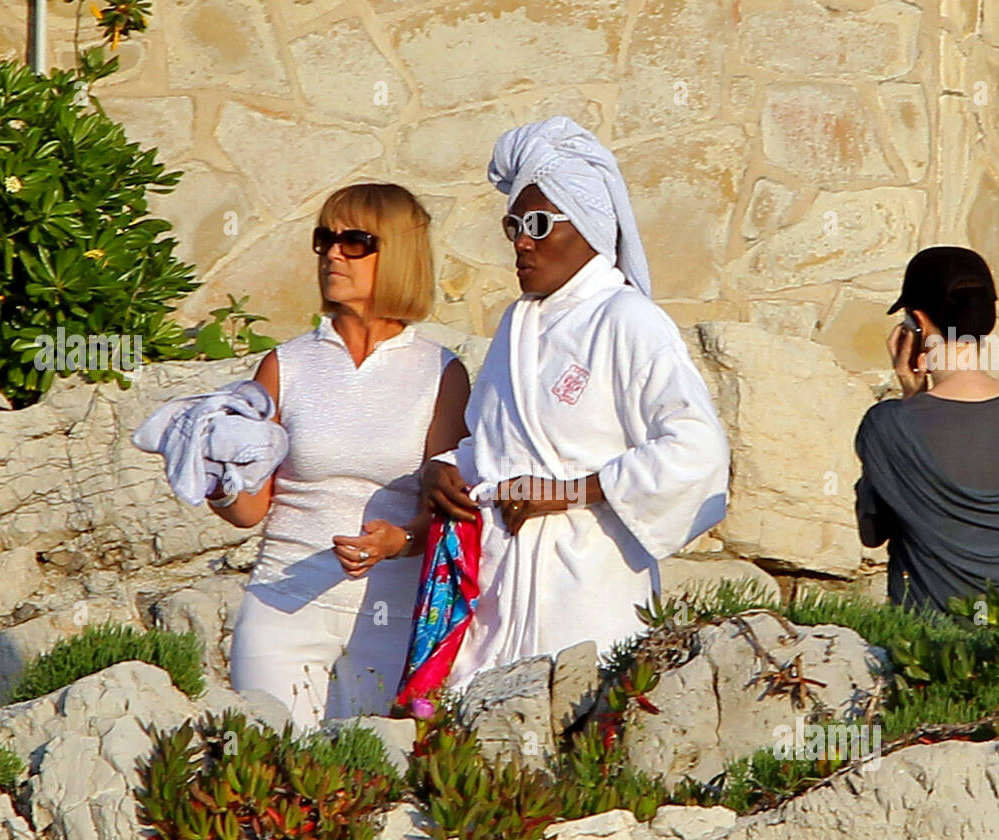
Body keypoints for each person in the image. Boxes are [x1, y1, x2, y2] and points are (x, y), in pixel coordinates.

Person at [421, 116, 730, 689]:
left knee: (577, 739)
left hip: (588, 581)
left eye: (538, 222)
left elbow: (697, 450)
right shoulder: (516, 327)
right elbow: (494, 446)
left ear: (589, 224)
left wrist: (564, 493)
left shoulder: (629, 321)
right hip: (499, 586)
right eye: (512, 224)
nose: (521, 240)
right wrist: (444, 472)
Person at [211, 183, 469, 729]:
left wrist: (396, 541)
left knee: (375, 786)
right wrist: (215, 479)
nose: (332, 253)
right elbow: (249, 509)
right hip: (282, 607)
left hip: (391, 616)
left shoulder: (440, 372)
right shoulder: (284, 364)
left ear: (399, 253)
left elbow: (448, 509)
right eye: (324, 239)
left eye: (355, 241)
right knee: (270, 782)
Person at [853, 245, 999, 612]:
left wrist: (910, 397)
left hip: (925, 655)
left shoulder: (888, 425)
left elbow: (873, 531)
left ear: (918, 324)